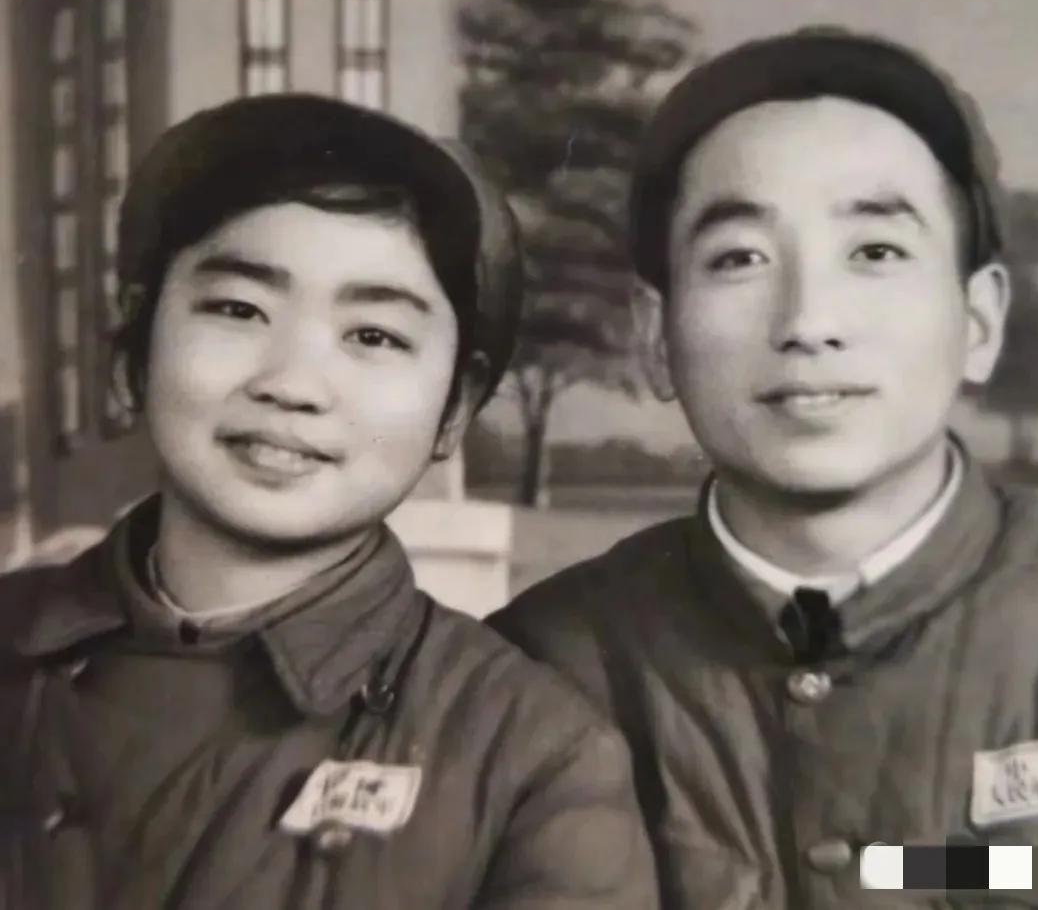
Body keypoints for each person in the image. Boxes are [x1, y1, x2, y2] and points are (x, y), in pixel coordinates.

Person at [0, 94, 658, 910]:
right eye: (239, 310)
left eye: (373, 336)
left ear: (455, 408)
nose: (292, 384)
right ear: (133, 353)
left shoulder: (533, 755)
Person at [491, 28, 1038, 909]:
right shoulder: (537, 670)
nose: (809, 321)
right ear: (656, 339)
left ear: (981, 320)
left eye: (875, 252)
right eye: (739, 260)